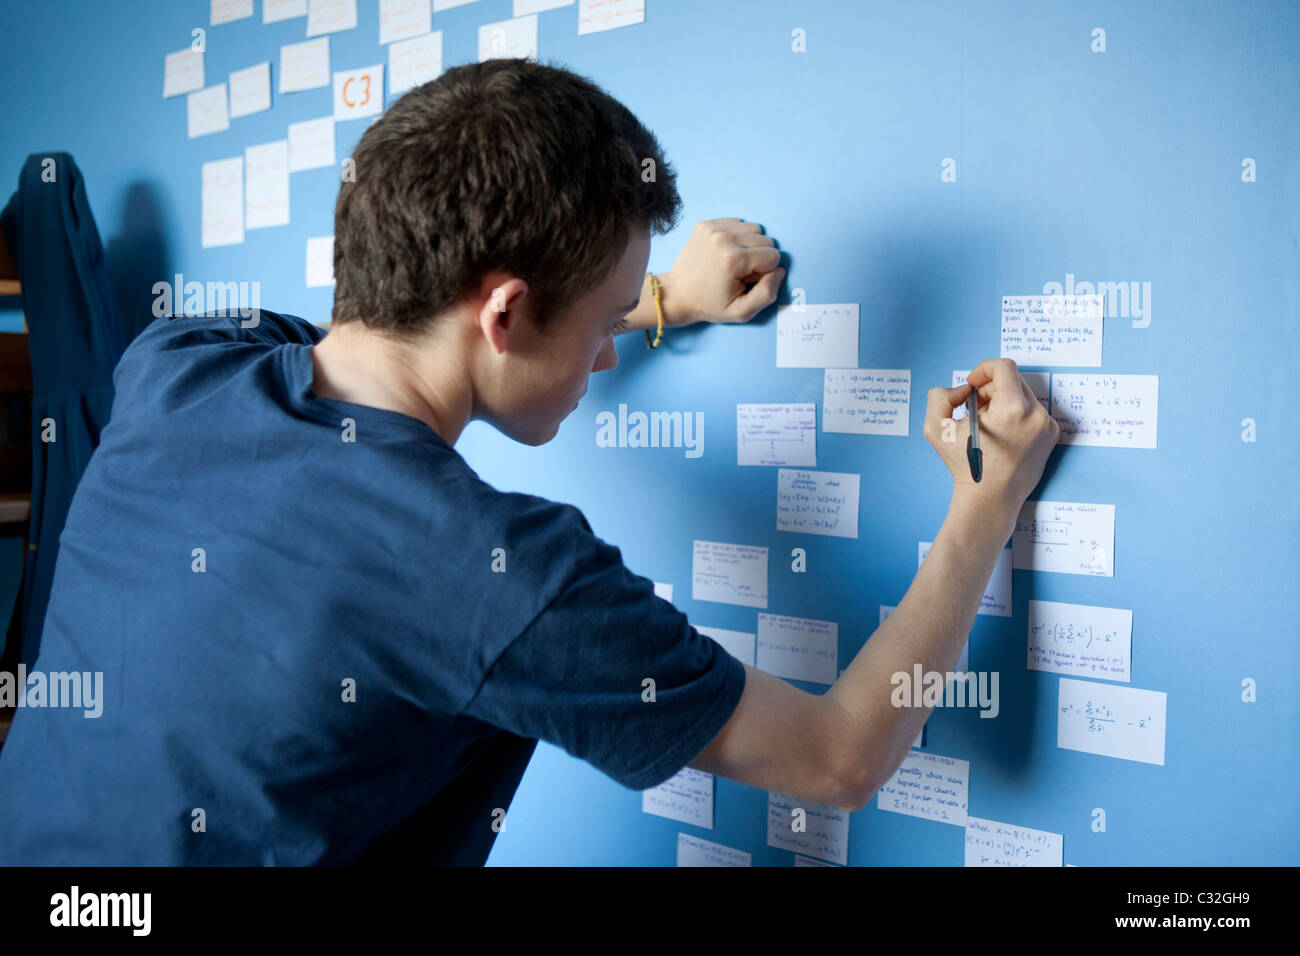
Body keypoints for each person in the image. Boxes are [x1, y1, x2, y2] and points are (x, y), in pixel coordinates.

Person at [0, 58, 1057, 865]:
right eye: (600, 322)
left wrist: (653, 303)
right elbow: (837, 758)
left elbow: (371, 333)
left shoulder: (180, 362)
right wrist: (985, 501)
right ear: (504, 311)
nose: (607, 350)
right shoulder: (506, 577)